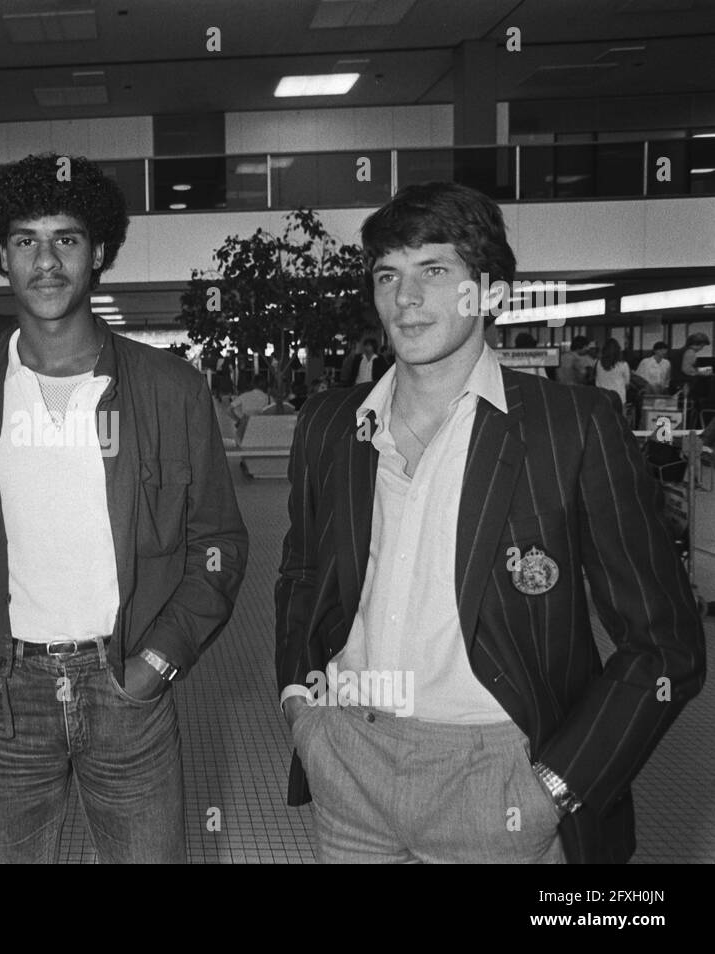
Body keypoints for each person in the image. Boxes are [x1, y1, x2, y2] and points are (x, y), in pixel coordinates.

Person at [275, 181, 705, 864]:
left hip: (500, 776)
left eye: (434, 272)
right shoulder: (331, 423)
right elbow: (303, 574)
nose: (405, 299)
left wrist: (556, 786)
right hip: (349, 764)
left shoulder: (571, 429)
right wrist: (302, 708)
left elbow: (664, 643)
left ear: (492, 292)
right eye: (388, 275)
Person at [0, 153, 248, 864]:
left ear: (98, 254)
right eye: (26, 240)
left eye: (66, 239)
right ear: (2, 256)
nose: (46, 260)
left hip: (127, 686)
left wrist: (159, 661)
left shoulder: (169, 391)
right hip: (6, 693)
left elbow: (217, 544)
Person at [594, 338, 630, 413]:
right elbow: (627, 383)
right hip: (619, 398)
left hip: (602, 397)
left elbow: (597, 381)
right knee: (620, 420)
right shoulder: (623, 364)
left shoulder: (598, 363)